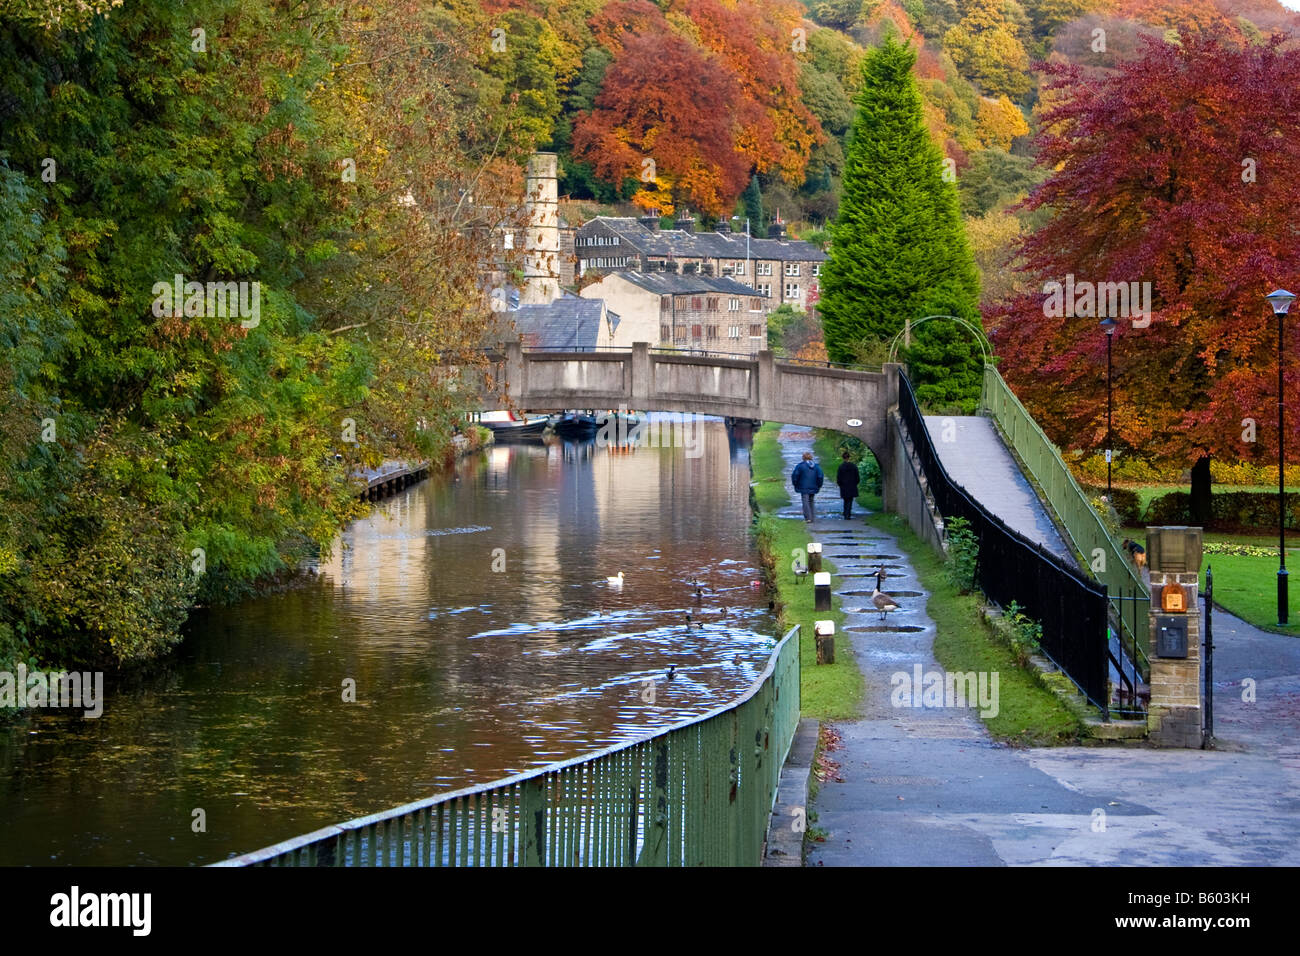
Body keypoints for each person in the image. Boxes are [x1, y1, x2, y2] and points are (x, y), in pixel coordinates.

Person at [791, 451, 824, 523]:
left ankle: (808, 518)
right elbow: (820, 476)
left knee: (805, 502)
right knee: (811, 501)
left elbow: (795, 475)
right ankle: (812, 517)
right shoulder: (817, 466)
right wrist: (819, 485)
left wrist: (795, 483)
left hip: (803, 487)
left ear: (803, 458)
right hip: (814, 486)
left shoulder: (800, 466)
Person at [836, 451, 860, 520]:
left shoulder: (841, 467)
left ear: (843, 458)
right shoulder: (854, 466)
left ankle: (845, 512)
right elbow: (857, 477)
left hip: (844, 486)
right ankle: (847, 513)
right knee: (850, 500)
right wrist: (855, 483)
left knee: (845, 499)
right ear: (849, 457)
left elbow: (839, 477)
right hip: (852, 485)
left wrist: (840, 484)